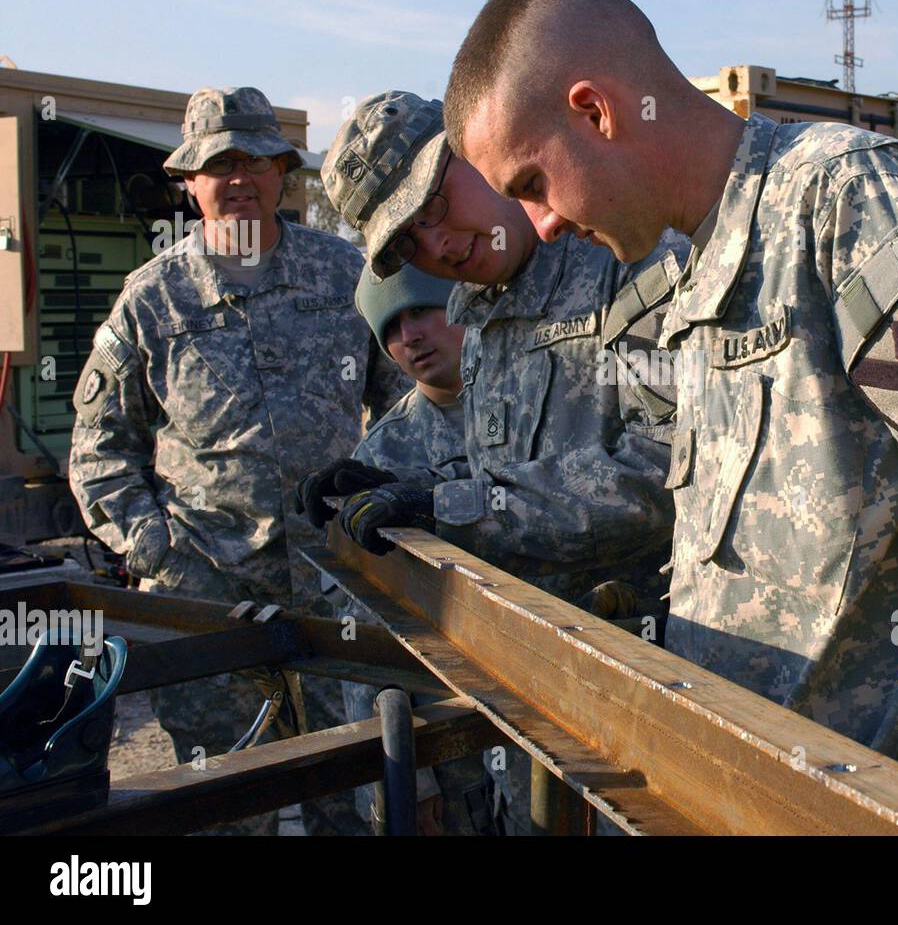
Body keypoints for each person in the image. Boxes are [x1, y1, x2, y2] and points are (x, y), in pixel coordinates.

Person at [440, 0, 898, 836]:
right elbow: (652, 484)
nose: (539, 224)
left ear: (595, 112)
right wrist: (459, 508)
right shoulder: (692, 282)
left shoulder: (844, 207)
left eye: (534, 181)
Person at [302, 90, 689, 833]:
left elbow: (663, 476)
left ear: (479, 149)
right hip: (531, 709)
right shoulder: (482, 321)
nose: (439, 244)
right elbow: (510, 480)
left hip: (645, 702)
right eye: (408, 242)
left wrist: (449, 507)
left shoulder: (620, 260)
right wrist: (406, 488)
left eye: (436, 204)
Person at [68, 86, 409, 835]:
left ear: (283, 173)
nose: (241, 178)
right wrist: (164, 553)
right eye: (221, 163)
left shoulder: (342, 273)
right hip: (206, 600)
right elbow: (100, 452)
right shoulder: (152, 298)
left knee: (349, 785)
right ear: (189, 182)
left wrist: (383, 509)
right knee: (217, 801)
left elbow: (405, 404)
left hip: (336, 584)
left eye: (259, 160)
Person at [299, 264, 486, 836]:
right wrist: (405, 778)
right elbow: (367, 628)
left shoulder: (538, 405)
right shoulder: (385, 450)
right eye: (391, 329)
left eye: (423, 310)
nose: (411, 337)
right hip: (454, 742)